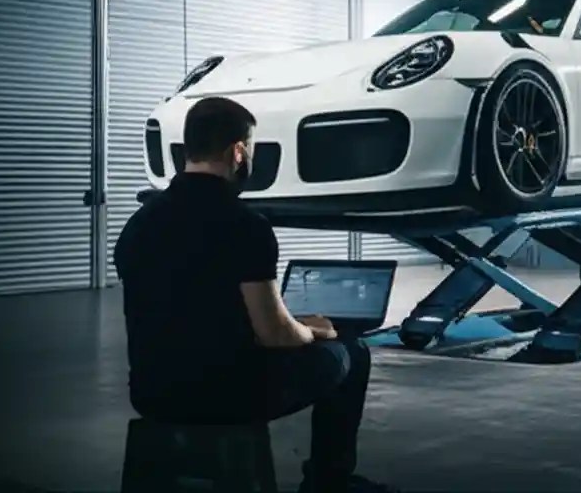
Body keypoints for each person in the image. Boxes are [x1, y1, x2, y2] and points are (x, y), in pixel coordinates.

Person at [113, 96, 393, 493]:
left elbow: (174, 306)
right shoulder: (246, 225)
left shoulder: (138, 225)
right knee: (353, 352)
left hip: (153, 394)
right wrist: (314, 331)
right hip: (230, 395)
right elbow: (274, 333)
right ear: (238, 152)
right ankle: (329, 482)